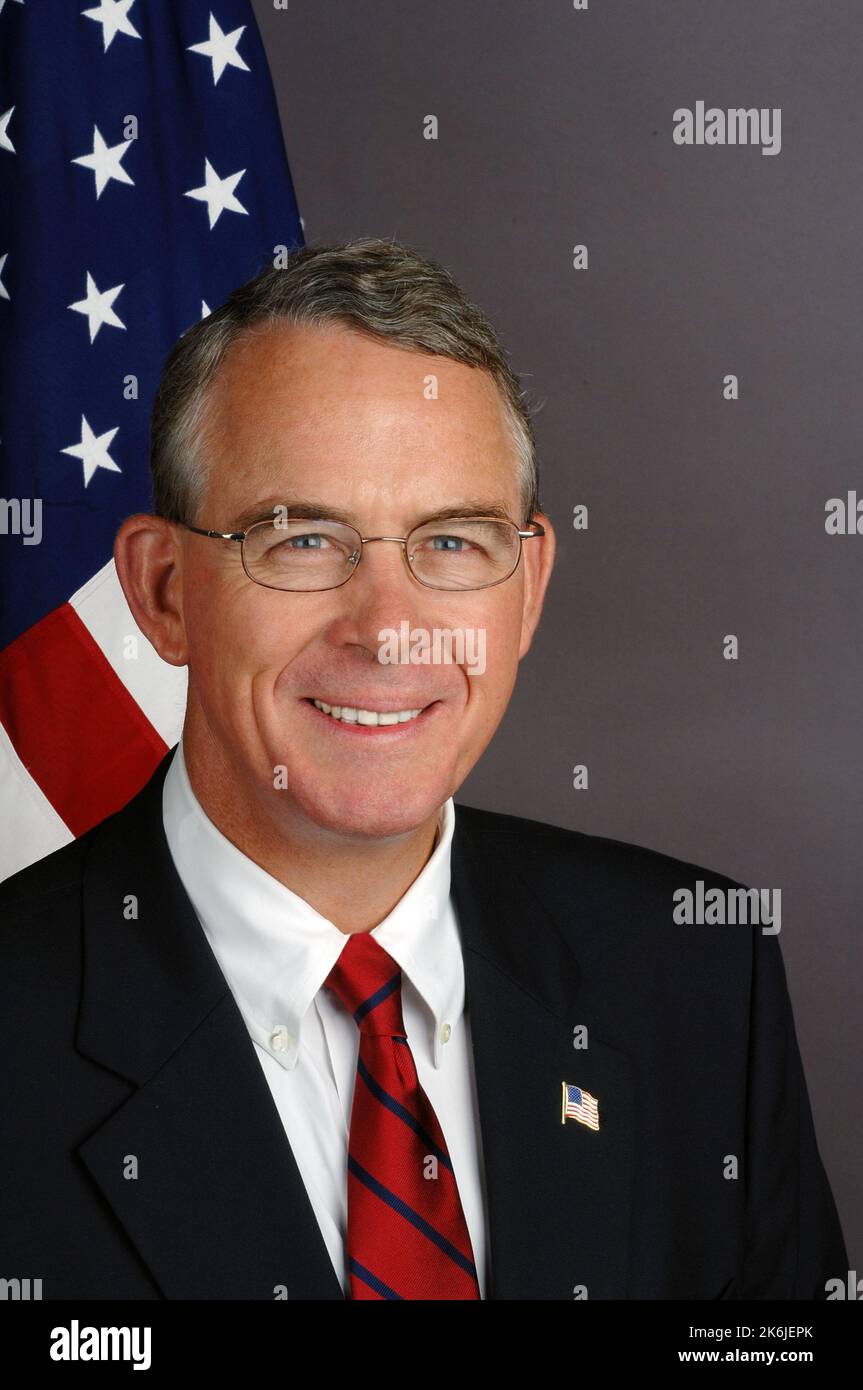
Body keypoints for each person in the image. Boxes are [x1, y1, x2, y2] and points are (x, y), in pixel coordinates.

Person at [0, 238, 847, 1300]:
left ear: (527, 587)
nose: (389, 631)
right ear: (164, 592)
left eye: (450, 543)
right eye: (302, 538)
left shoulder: (697, 976)